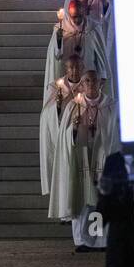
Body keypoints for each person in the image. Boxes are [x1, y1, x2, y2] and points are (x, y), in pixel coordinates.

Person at [55, 70, 117, 252]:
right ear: (81, 85)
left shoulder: (111, 106)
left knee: (98, 201)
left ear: (101, 83)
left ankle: (97, 241)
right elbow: (64, 138)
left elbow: (115, 135)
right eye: (87, 81)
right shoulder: (73, 106)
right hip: (80, 158)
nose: (91, 84)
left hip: (102, 160)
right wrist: (73, 129)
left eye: (94, 80)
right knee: (80, 199)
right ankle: (82, 240)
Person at [43, 0, 111, 93]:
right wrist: (59, 39)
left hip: (88, 74)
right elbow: (57, 55)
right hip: (68, 78)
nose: (77, 20)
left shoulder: (93, 28)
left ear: (84, 13)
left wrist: (102, 75)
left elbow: (100, 56)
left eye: (80, 16)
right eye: (74, 17)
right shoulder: (60, 29)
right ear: (69, 15)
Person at [40, 54, 84, 197]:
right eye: (71, 67)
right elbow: (46, 114)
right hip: (60, 137)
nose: (74, 70)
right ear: (66, 69)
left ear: (82, 68)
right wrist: (57, 106)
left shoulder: (87, 87)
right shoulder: (55, 87)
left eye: (77, 67)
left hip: (79, 137)